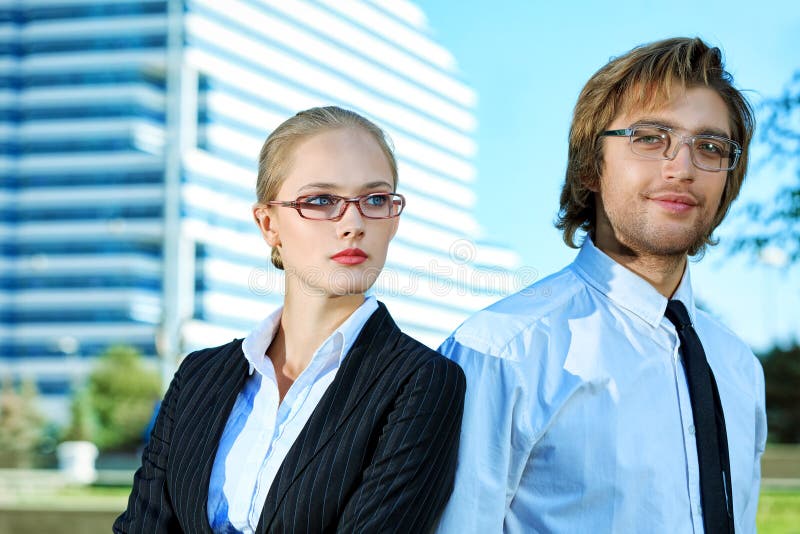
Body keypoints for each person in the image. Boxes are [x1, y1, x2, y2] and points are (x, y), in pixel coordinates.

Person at [436, 38, 766, 533]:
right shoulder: (499, 353)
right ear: (591, 166)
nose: (682, 167)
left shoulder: (740, 369)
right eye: (650, 138)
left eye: (710, 147)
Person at [115, 106, 466, 533]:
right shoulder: (198, 376)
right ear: (268, 224)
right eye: (321, 201)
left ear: (394, 219)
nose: (353, 223)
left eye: (375, 199)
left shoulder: (424, 382)